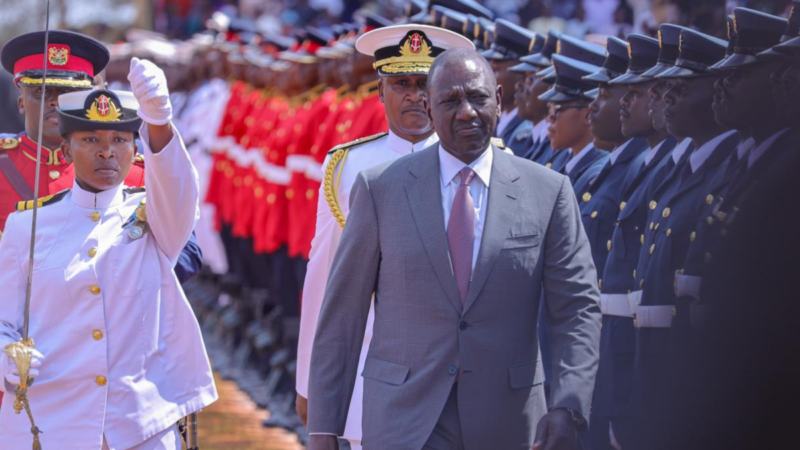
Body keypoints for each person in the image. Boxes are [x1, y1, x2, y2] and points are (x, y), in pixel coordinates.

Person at [307, 47, 601, 450]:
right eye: (450, 101)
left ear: (499, 98)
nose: (466, 113)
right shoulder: (380, 189)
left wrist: (568, 403)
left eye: (477, 98)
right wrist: (324, 426)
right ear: (429, 106)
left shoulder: (548, 192)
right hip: (403, 420)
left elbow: (577, 308)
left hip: (507, 420)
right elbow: (343, 312)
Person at [0, 58, 217, 449]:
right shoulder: (25, 225)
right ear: (67, 149)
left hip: (141, 423)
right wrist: (6, 353)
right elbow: (4, 317)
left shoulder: (155, 218)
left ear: (134, 148)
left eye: (119, 140)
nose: (106, 153)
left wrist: (159, 122)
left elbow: (180, 193)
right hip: (53, 420)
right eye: (90, 140)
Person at [296, 24, 475, 450]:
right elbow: (324, 283)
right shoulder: (348, 167)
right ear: (380, 91)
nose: (415, 96)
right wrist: (310, 383)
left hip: (464, 379)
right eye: (401, 84)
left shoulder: (483, 163)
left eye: (424, 84)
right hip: (374, 376)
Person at [0, 30, 203, 286]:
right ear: (21, 102)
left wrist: (127, 279)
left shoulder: (132, 170)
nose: (54, 102)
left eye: (67, 92)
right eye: (41, 92)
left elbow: (185, 251)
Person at [629, 28, 737, 450]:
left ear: (717, 89)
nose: (667, 98)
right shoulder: (683, 167)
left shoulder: (727, 169)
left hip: (690, 382)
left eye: (682, 87)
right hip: (653, 373)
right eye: (666, 88)